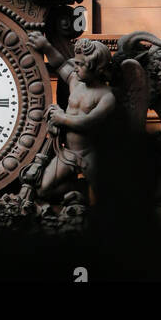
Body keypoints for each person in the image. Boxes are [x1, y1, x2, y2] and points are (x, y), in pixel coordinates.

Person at [25, 33, 117, 198]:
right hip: (67, 153)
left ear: (98, 69)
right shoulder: (76, 81)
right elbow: (60, 64)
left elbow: (87, 122)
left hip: (91, 154)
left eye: (81, 65)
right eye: (76, 63)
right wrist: (46, 47)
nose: (75, 68)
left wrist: (61, 118)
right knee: (42, 190)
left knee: (106, 197)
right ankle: (78, 190)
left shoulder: (107, 96)